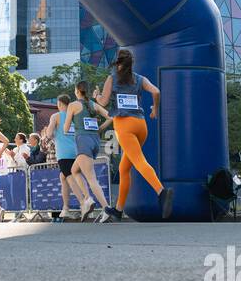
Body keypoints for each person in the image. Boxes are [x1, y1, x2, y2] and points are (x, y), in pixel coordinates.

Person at [95, 49, 175, 220]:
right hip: (141, 125)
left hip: (124, 125)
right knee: (124, 168)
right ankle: (118, 209)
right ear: (131, 63)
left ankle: (161, 191)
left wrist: (96, 96)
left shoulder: (112, 78)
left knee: (139, 161)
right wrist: (155, 108)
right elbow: (156, 92)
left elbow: (103, 101)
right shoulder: (139, 78)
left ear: (117, 63)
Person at [63, 81, 114, 222]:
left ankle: (106, 208)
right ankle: (87, 198)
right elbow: (111, 117)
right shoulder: (93, 104)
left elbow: (66, 129)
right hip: (95, 141)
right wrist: (99, 129)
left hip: (83, 141)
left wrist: (75, 126)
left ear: (77, 91)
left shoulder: (73, 105)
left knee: (91, 179)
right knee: (74, 170)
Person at [44, 94, 95, 222]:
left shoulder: (56, 116)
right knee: (64, 177)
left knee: (70, 177)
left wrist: (52, 133)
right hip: (77, 150)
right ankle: (65, 208)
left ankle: (84, 202)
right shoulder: (75, 115)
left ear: (60, 104)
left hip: (64, 153)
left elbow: (49, 134)